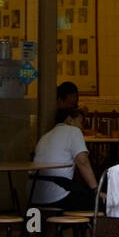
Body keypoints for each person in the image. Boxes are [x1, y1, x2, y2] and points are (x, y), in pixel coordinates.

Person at [29, 83, 97, 211]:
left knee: (36, 222)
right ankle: (78, 229)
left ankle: (36, 229)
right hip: (57, 195)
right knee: (98, 203)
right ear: (69, 120)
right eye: (81, 123)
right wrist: (95, 190)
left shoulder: (45, 135)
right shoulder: (73, 131)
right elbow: (82, 161)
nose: (82, 128)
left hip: (33, 195)